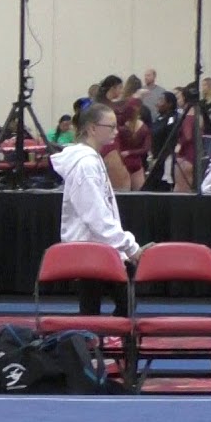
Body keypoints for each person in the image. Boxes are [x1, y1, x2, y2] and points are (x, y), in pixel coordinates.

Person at [52, 103, 149, 317]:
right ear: (92, 128)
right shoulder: (85, 164)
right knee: (120, 303)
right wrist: (130, 247)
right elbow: (96, 215)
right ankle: (93, 346)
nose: (116, 131)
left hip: (96, 246)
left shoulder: (91, 160)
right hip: (92, 249)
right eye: (111, 126)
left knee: (96, 306)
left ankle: (92, 346)